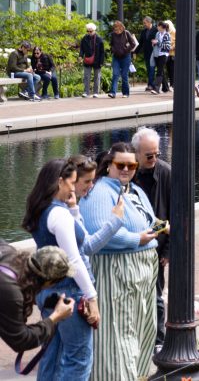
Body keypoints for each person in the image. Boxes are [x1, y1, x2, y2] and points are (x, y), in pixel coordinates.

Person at [21, 159, 109, 380]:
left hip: (48, 291)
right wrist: (92, 297)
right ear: (59, 182)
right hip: (68, 293)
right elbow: (74, 259)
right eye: (71, 182)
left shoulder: (42, 210)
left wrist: (73, 208)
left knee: (51, 355)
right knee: (78, 359)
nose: (74, 187)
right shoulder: (58, 215)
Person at [79, 145, 161, 381]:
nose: (126, 169)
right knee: (117, 336)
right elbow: (98, 232)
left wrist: (158, 227)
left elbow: (151, 220)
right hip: (116, 273)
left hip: (141, 274)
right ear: (108, 165)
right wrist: (137, 238)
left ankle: (137, 376)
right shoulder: (100, 191)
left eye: (132, 165)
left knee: (141, 332)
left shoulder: (134, 190)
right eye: (120, 165)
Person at [132, 128, 171, 351]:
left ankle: (159, 340)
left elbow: (174, 215)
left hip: (156, 246)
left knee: (156, 295)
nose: (154, 159)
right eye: (149, 155)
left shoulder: (165, 173)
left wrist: (168, 252)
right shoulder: (129, 172)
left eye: (156, 153)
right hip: (133, 244)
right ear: (136, 153)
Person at [0, 243, 76, 355]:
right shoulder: (10, 290)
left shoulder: (9, 252)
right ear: (48, 281)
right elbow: (21, 340)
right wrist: (55, 317)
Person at [107, 20, 138, 99]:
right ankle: (113, 93)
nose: (116, 31)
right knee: (115, 74)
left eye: (118, 29)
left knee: (124, 75)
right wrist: (113, 49)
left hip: (126, 57)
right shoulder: (113, 35)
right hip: (116, 57)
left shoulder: (126, 33)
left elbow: (133, 44)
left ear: (121, 28)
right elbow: (111, 44)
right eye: (115, 29)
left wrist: (125, 50)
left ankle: (126, 93)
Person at [79, 23, 104, 98]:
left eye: (91, 31)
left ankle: (96, 92)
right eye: (88, 31)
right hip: (87, 59)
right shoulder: (84, 38)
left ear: (94, 31)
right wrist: (80, 56)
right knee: (86, 76)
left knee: (97, 76)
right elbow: (82, 49)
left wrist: (101, 62)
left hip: (97, 60)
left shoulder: (99, 39)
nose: (89, 33)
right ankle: (86, 92)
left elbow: (102, 52)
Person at [137, 16, 158, 94]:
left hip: (154, 53)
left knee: (154, 69)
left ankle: (152, 85)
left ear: (149, 22)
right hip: (146, 53)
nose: (144, 24)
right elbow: (140, 43)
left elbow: (158, 40)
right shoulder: (143, 31)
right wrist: (135, 52)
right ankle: (151, 84)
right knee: (149, 69)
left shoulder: (156, 30)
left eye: (145, 23)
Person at [153, 21, 172, 94]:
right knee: (161, 71)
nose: (157, 27)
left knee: (159, 71)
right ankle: (166, 88)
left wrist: (157, 43)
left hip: (164, 54)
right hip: (157, 54)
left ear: (162, 27)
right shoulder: (157, 33)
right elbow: (156, 43)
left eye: (158, 26)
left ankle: (156, 88)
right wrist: (154, 43)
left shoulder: (167, 35)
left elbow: (167, 46)